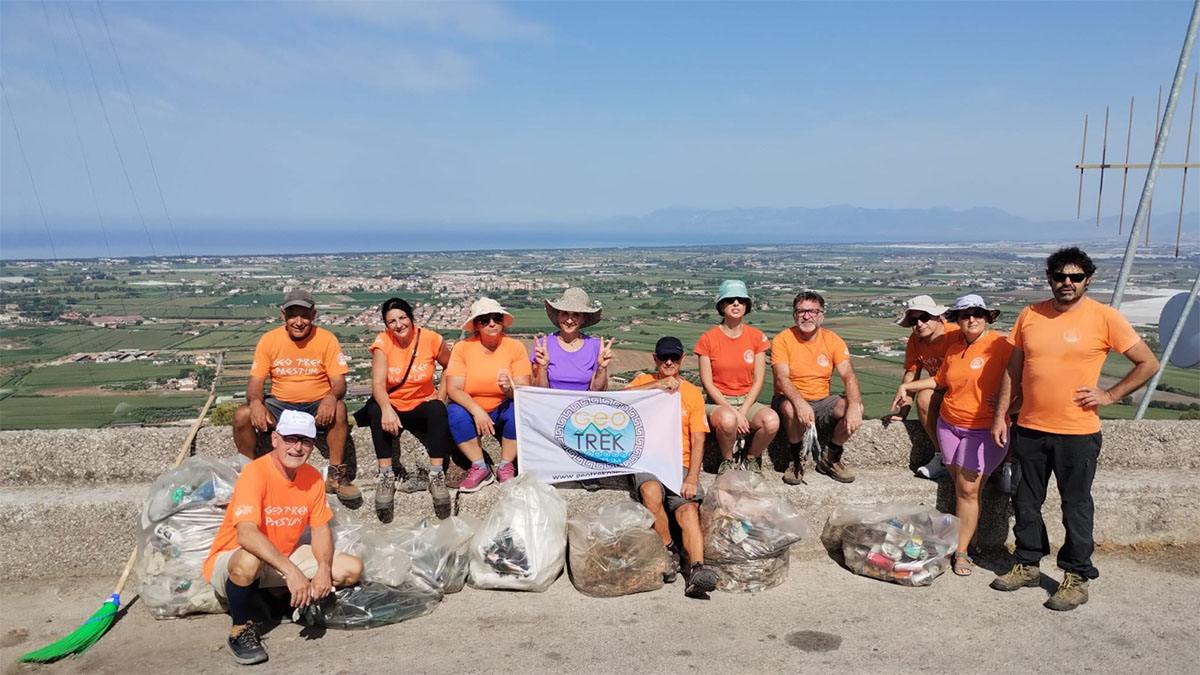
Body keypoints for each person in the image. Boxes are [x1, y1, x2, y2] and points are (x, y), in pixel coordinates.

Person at [989, 247, 1158, 611]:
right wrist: (1001, 414)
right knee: (1025, 502)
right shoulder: (1029, 314)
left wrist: (1110, 394)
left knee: (1076, 506)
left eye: (1075, 277)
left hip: (1077, 432)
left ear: (1088, 280)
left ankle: (1077, 575)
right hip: (1030, 427)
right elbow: (1013, 371)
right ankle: (1028, 564)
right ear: (1049, 279)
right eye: (1060, 276)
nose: (1067, 283)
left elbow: (1148, 362)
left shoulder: (1104, 317)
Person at [203, 409, 364, 665]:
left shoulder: (311, 477)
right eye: (290, 439)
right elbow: (246, 534)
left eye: (306, 441)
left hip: (282, 556)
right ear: (276, 439)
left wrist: (323, 568)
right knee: (249, 561)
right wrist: (291, 572)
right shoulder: (255, 473)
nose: (297, 448)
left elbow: (321, 528)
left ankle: (279, 603)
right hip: (237, 560)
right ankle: (240, 629)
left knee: (351, 569)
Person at [892, 294, 1011, 577]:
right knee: (963, 488)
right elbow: (941, 379)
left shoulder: (1002, 344)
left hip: (983, 428)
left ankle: (962, 551)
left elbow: (1026, 378)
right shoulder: (956, 347)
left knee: (968, 491)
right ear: (956, 320)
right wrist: (906, 389)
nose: (972, 319)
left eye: (978, 313)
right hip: (949, 425)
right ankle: (971, 539)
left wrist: (1011, 406)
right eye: (965, 314)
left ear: (987, 317)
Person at [233, 289, 360, 509]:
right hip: (280, 405)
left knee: (339, 408)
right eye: (293, 315)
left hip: (316, 405)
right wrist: (255, 403)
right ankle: (249, 473)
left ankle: (336, 474)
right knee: (242, 415)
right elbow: (255, 384)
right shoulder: (269, 341)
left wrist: (331, 397)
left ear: (314, 314)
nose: (299, 322)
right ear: (283, 316)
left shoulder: (327, 339)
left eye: (304, 315)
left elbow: (339, 382)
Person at [625, 337, 718, 599]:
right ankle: (669, 550)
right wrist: (656, 385)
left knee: (688, 508)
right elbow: (615, 399)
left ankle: (698, 570)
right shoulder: (643, 383)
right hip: (648, 460)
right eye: (664, 358)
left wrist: (692, 476)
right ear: (655, 359)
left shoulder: (691, 393)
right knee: (651, 493)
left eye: (674, 359)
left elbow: (699, 438)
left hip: (682, 461)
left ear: (682, 360)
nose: (668, 362)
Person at [364, 297, 453, 522]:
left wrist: (441, 396)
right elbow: (377, 384)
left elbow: (450, 366)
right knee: (375, 411)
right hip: (393, 403)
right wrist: (386, 408)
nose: (399, 324)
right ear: (386, 325)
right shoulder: (383, 343)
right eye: (392, 321)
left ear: (412, 318)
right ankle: (385, 476)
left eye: (402, 318)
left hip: (421, 403)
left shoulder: (431, 339)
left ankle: (436, 475)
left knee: (438, 410)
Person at [771, 291, 864, 484]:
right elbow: (781, 378)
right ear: (794, 315)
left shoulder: (832, 340)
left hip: (822, 401)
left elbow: (848, 374)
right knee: (790, 407)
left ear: (821, 315)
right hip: (789, 400)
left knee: (854, 407)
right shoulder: (783, 339)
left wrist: (855, 405)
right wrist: (799, 402)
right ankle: (796, 459)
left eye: (813, 311)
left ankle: (830, 456)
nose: (807, 316)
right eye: (801, 311)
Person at [531, 287, 615, 491]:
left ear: (583, 318)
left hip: (583, 414)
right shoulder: (544, 345)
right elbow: (538, 390)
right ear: (558, 316)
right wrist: (542, 367)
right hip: (550, 410)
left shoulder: (595, 346)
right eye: (565, 314)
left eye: (575, 314)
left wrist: (602, 369)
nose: (569, 320)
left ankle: (585, 468)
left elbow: (598, 391)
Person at [445, 297, 532, 491]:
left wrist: (508, 389)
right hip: (471, 406)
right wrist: (477, 410)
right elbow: (454, 389)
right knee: (454, 413)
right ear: (476, 324)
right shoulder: (463, 348)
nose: (492, 323)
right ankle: (479, 466)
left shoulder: (515, 347)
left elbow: (523, 389)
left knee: (519, 411)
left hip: (503, 405)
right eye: (485, 319)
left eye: (497, 318)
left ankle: (506, 465)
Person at [694, 279, 779, 474]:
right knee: (727, 420)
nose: (736, 304)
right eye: (730, 300)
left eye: (741, 300)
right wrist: (732, 411)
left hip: (746, 401)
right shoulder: (707, 339)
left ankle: (751, 458)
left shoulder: (756, 337)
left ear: (747, 305)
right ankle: (728, 460)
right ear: (721, 305)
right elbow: (708, 383)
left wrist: (743, 411)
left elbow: (758, 380)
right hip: (718, 403)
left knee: (771, 421)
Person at [888, 294, 958, 480]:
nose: (919, 324)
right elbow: (912, 373)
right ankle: (941, 455)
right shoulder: (915, 340)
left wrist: (907, 386)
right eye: (914, 320)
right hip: (941, 390)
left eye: (924, 317)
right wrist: (903, 411)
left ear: (938, 317)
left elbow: (951, 377)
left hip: (964, 390)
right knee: (925, 397)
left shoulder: (955, 335)